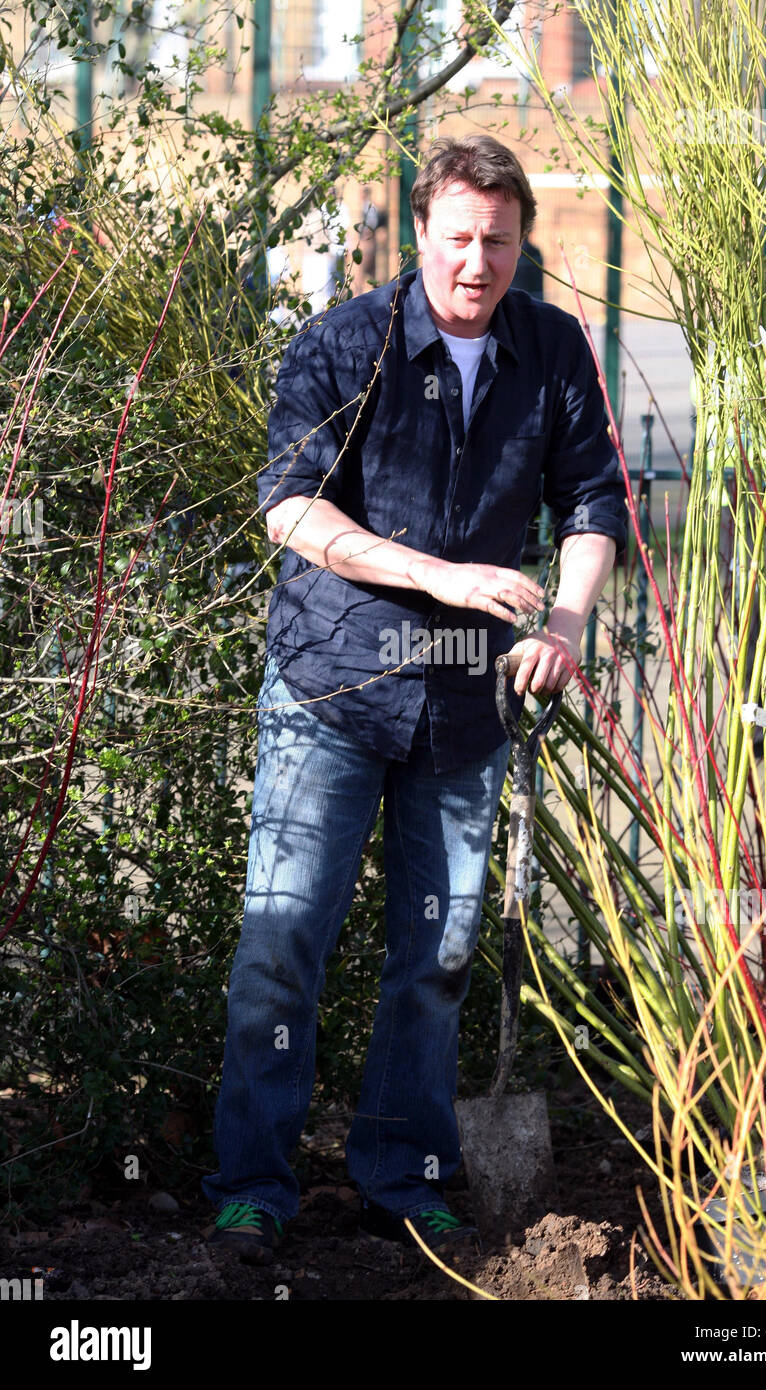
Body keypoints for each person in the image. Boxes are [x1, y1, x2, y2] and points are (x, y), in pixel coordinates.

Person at [201, 134, 628, 1264]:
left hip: (463, 710)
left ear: (520, 241)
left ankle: (405, 1176)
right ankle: (251, 1187)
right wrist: (437, 575)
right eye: (456, 240)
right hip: (331, 687)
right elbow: (288, 508)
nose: (475, 263)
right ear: (419, 235)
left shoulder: (551, 349)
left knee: (434, 955)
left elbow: (591, 499)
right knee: (284, 942)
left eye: (496, 241)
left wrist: (567, 624)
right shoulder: (345, 343)